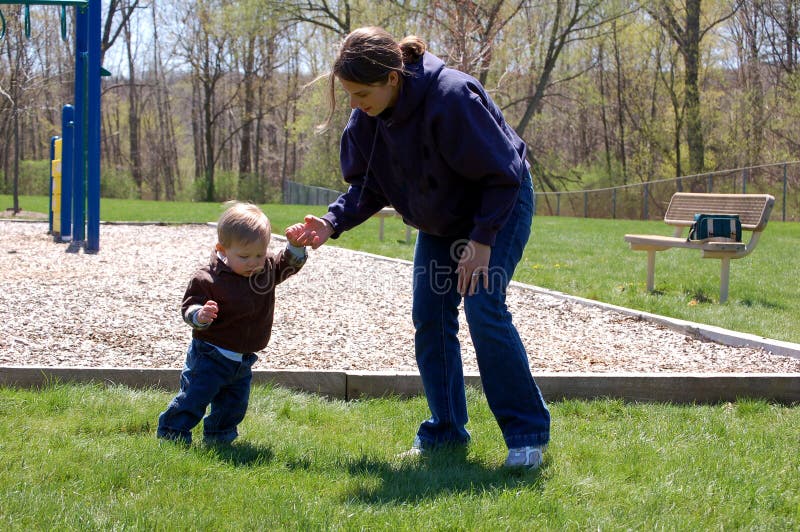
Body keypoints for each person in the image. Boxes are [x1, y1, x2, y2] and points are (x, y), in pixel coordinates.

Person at [293, 27, 550, 468]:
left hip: (498, 203)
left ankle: (526, 436)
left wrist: (482, 240)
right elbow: (368, 187)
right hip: (440, 218)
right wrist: (331, 222)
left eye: (360, 93)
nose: (355, 105)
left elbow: (503, 174)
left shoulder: (452, 97)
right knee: (430, 315)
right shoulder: (367, 121)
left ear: (392, 78)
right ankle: (446, 431)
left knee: (483, 305)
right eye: (349, 95)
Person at [157, 202, 308, 445]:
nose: (254, 262)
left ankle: (220, 436)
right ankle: (172, 432)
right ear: (222, 249)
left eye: (260, 254)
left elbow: (285, 266)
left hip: (243, 357)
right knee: (195, 396)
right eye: (244, 256)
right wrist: (199, 315)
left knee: (234, 402)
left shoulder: (264, 269)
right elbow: (189, 306)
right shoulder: (208, 278)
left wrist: (295, 246)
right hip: (210, 354)